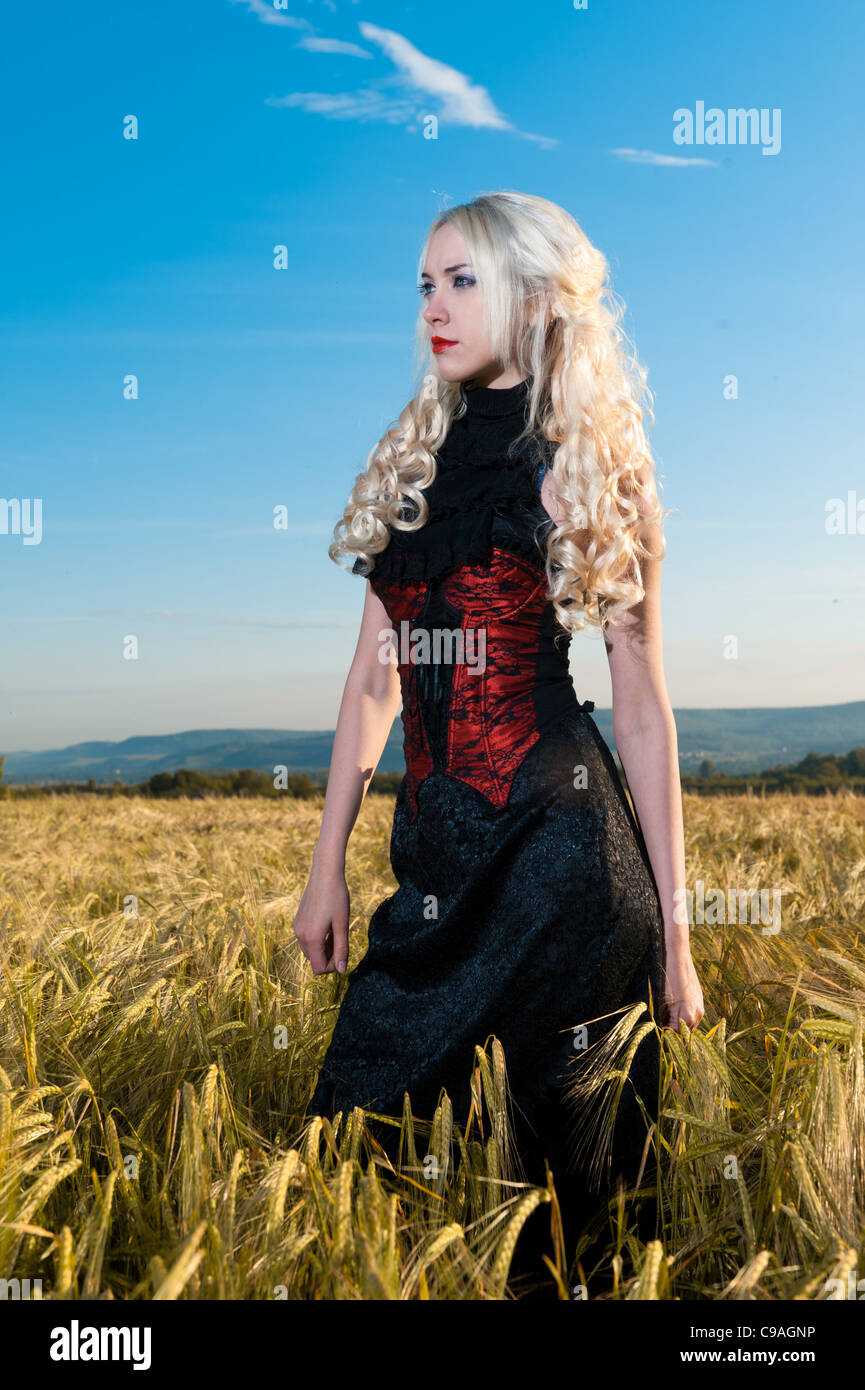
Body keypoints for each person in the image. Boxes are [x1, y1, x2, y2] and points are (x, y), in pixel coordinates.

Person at [293, 191, 704, 1293]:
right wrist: (324, 864)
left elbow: (640, 706)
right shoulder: (410, 468)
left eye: (461, 280)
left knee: (565, 1211)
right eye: (423, 283)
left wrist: (676, 931)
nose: (433, 303)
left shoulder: (585, 470)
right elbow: (371, 684)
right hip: (430, 863)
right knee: (354, 1142)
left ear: (533, 295)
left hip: (562, 867)